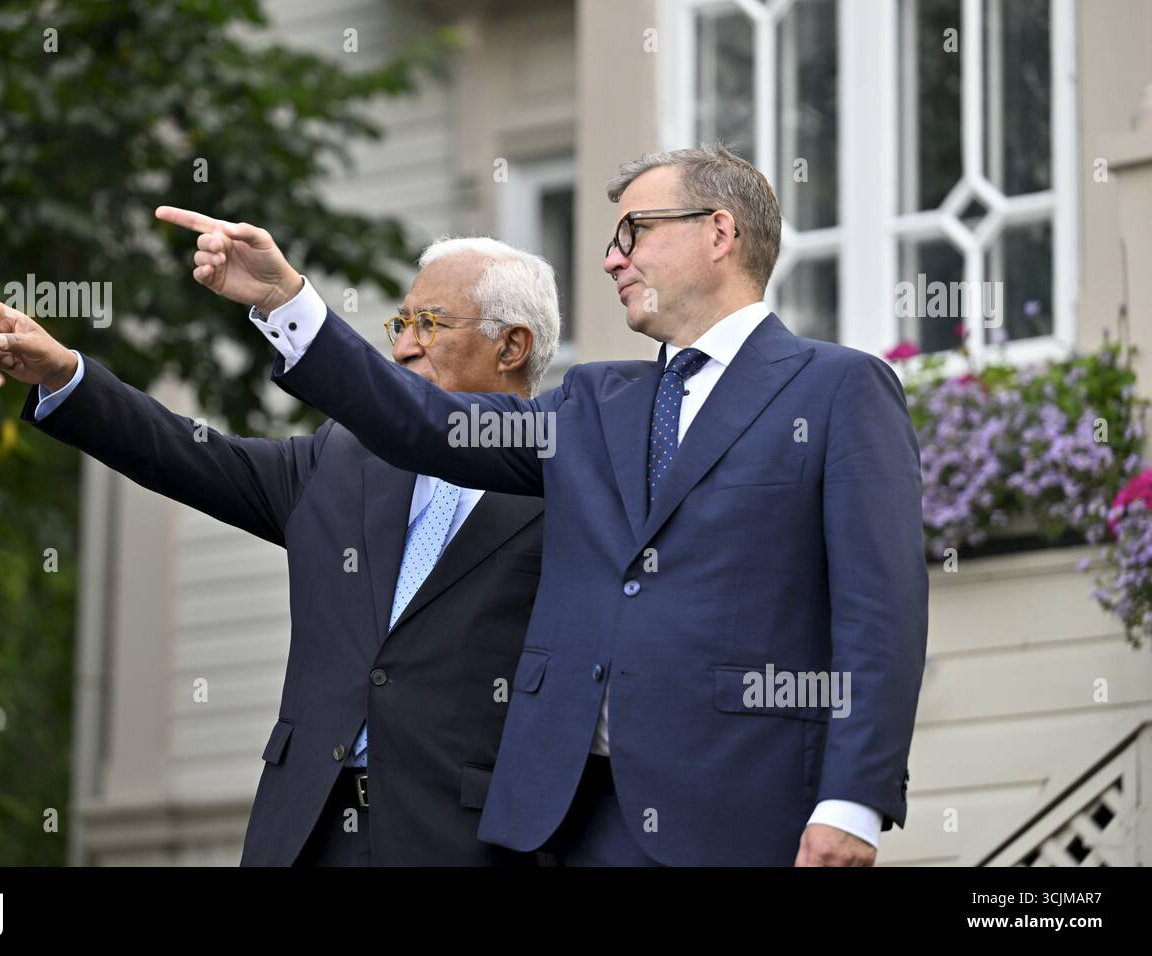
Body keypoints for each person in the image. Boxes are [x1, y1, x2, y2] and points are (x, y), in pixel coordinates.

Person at [154, 144, 928, 866]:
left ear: (718, 233)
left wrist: (853, 798)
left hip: (740, 809)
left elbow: (879, 608)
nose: (610, 257)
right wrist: (289, 303)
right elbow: (426, 425)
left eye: (634, 231)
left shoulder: (837, 390)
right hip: (565, 822)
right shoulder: (594, 403)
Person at [0, 231, 561, 866]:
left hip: (464, 843)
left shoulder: (568, 488)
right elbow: (186, 453)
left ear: (511, 345)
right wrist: (63, 373)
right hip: (303, 834)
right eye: (401, 322)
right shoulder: (342, 459)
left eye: (429, 324)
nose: (404, 344)